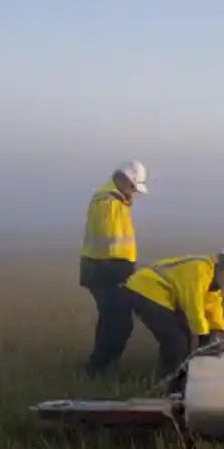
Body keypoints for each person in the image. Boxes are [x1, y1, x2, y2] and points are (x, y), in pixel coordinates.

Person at [119, 246, 224, 391]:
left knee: (185, 339)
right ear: (223, 263)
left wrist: (216, 332)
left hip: (159, 295)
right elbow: (193, 306)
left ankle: (182, 381)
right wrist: (204, 338)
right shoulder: (199, 270)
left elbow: (213, 307)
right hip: (145, 289)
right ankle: (167, 386)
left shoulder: (212, 279)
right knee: (176, 341)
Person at [79, 159, 149, 378]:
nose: (133, 193)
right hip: (107, 272)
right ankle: (99, 368)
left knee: (112, 320)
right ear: (122, 179)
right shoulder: (108, 203)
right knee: (119, 323)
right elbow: (113, 245)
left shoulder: (112, 200)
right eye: (132, 187)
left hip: (103, 270)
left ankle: (101, 366)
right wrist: (122, 277)